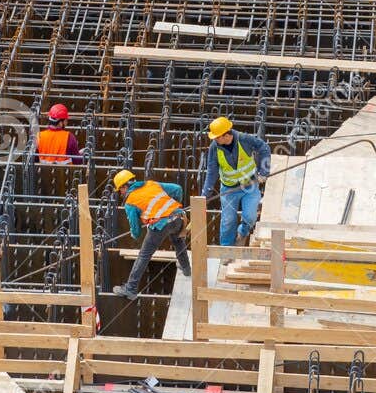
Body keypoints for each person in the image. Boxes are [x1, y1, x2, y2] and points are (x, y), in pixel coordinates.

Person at [112, 169, 190, 299]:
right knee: (177, 240)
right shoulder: (151, 184)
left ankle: (130, 288)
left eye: (120, 190)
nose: (120, 193)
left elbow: (136, 229)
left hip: (160, 225)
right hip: (178, 217)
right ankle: (186, 269)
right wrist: (171, 208)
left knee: (144, 255)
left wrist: (134, 235)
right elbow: (177, 189)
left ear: (125, 186)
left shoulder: (130, 202)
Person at [200, 116, 271, 246]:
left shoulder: (244, 139)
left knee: (250, 217)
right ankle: (226, 249)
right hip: (229, 190)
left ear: (226, 135)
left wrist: (264, 172)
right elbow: (212, 171)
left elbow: (264, 148)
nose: (214, 139)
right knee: (228, 221)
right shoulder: (214, 148)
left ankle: (243, 232)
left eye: (217, 137)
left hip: (250, 186)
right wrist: (205, 194)